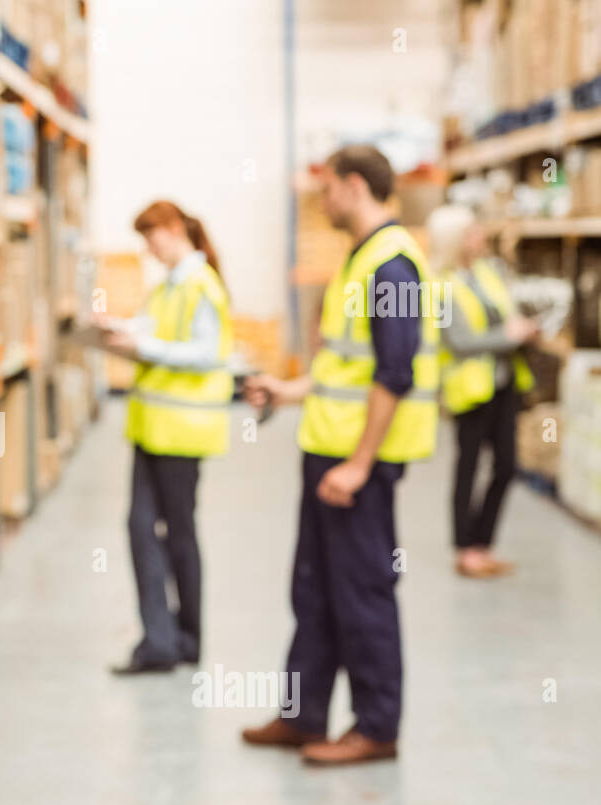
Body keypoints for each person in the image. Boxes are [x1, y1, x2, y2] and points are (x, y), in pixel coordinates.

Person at [241, 145, 439, 765]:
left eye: (327, 189)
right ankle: (305, 717)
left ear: (354, 186)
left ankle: (377, 727)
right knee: (316, 590)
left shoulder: (393, 266)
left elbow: (395, 372)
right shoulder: (361, 260)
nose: (322, 201)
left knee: (362, 592)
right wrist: (287, 389)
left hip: (358, 467)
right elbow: (340, 373)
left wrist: (358, 464)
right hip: (327, 453)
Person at [100, 201, 233, 674]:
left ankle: (180, 640)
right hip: (154, 428)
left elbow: (206, 353)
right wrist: (120, 331)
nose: (149, 247)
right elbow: (155, 329)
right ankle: (167, 640)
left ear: (176, 230)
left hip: (182, 430)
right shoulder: (171, 285)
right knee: (148, 529)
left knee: (177, 534)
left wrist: (142, 347)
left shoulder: (201, 284)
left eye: (152, 235)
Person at [426, 204, 538, 578]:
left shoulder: (489, 273)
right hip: (470, 389)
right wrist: (507, 336)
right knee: (468, 468)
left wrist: (523, 328)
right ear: (455, 240)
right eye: (473, 231)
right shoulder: (440, 284)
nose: (481, 237)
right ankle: (465, 549)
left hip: (504, 382)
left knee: (506, 466)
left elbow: (505, 313)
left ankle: (483, 544)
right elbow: (459, 341)